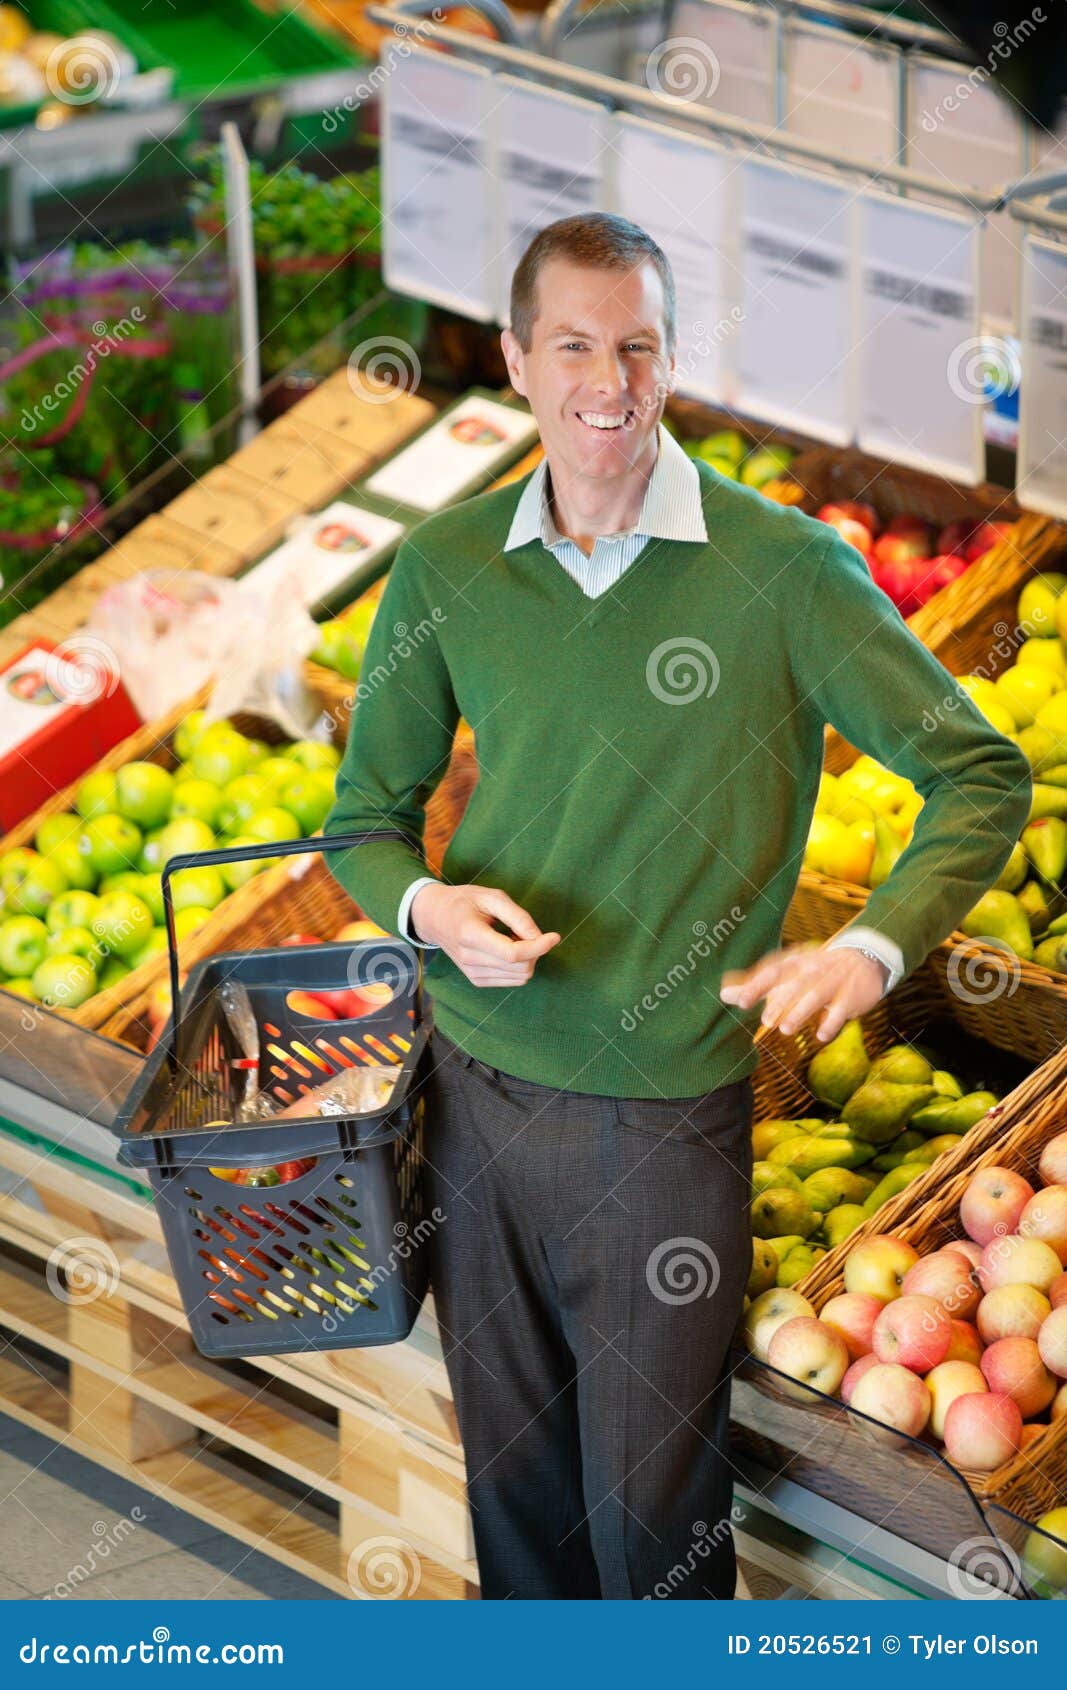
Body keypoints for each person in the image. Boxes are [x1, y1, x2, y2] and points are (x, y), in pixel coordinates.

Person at [324, 212, 1031, 1599]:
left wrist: (875, 944)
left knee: (655, 1530)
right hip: (470, 1100)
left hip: (659, 1128)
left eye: (638, 346)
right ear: (520, 362)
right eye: (575, 345)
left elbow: (977, 772)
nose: (609, 380)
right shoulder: (449, 567)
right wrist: (427, 906)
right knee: (518, 1516)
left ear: (669, 360)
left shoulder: (786, 572)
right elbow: (361, 821)